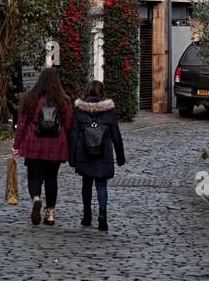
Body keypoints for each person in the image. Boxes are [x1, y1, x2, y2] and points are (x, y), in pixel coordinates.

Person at [12, 67, 73, 226]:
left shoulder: (30, 98)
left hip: (34, 143)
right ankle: (50, 213)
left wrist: (16, 145)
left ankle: (36, 198)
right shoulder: (63, 100)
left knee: (34, 176)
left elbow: (22, 123)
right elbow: (68, 125)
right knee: (52, 178)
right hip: (55, 144)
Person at [68, 80, 125, 233]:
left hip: (84, 153)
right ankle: (102, 215)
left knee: (86, 184)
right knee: (101, 185)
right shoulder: (108, 111)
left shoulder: (79, 110)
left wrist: (71, 157)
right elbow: (116, 135)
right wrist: (120, 156)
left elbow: (73, 134)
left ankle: (87, 216)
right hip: (103, 153)